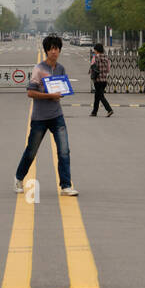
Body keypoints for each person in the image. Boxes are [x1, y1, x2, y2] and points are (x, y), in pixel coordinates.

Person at [14, 35, 77, 196]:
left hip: (57, 116)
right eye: (51, 49)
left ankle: (65, 185)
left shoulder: (61, 69)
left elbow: (61, 89)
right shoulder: (39, 69)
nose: (54, 52)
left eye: (57, 49)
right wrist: (50, 95)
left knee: (64, 150)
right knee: (32, 151)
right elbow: (30, 92)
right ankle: (19, 178)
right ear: (46, 51)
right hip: (40, 118)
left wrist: (61, 93)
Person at [89, 42, 114, 118]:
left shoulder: (95, 57)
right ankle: (94, 112)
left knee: (100, 96)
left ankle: (109, 109)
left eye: (95, 50)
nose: (94, 51)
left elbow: (92, 67)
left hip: (97, 80)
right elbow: (108, 69)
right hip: (104, 80)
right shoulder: (106, 58)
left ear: (97, 50)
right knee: (97, 95)